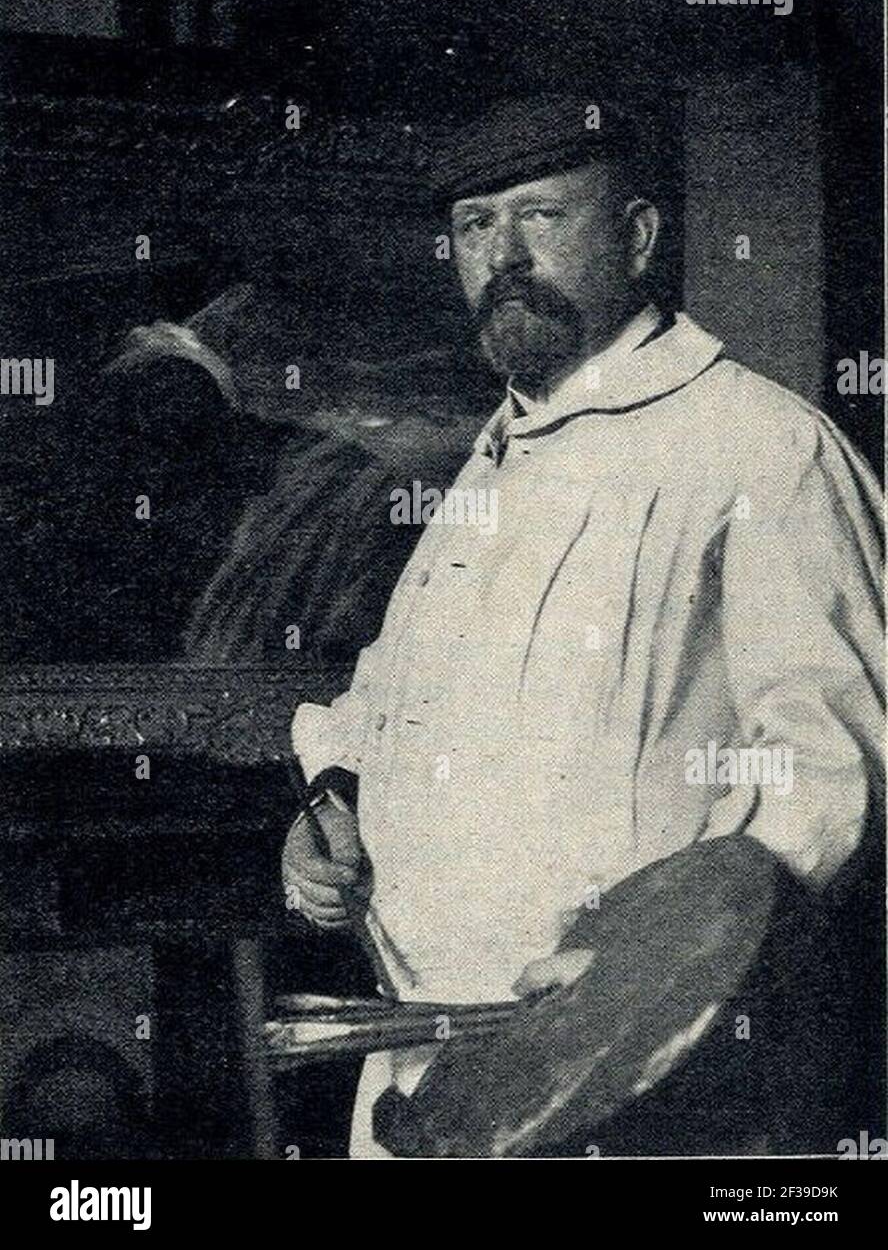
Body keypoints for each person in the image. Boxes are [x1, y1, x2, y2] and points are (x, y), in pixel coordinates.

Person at [281, 94, 884, 1157]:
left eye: (542, 216)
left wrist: (645, 967)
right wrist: (335, 802)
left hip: (642, 1088)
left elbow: (838, 763)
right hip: (433, 1079)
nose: (502, 256)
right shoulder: (497, 453)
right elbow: (388, 700)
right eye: (476, 227)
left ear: (639, 237)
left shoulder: (759, 446)